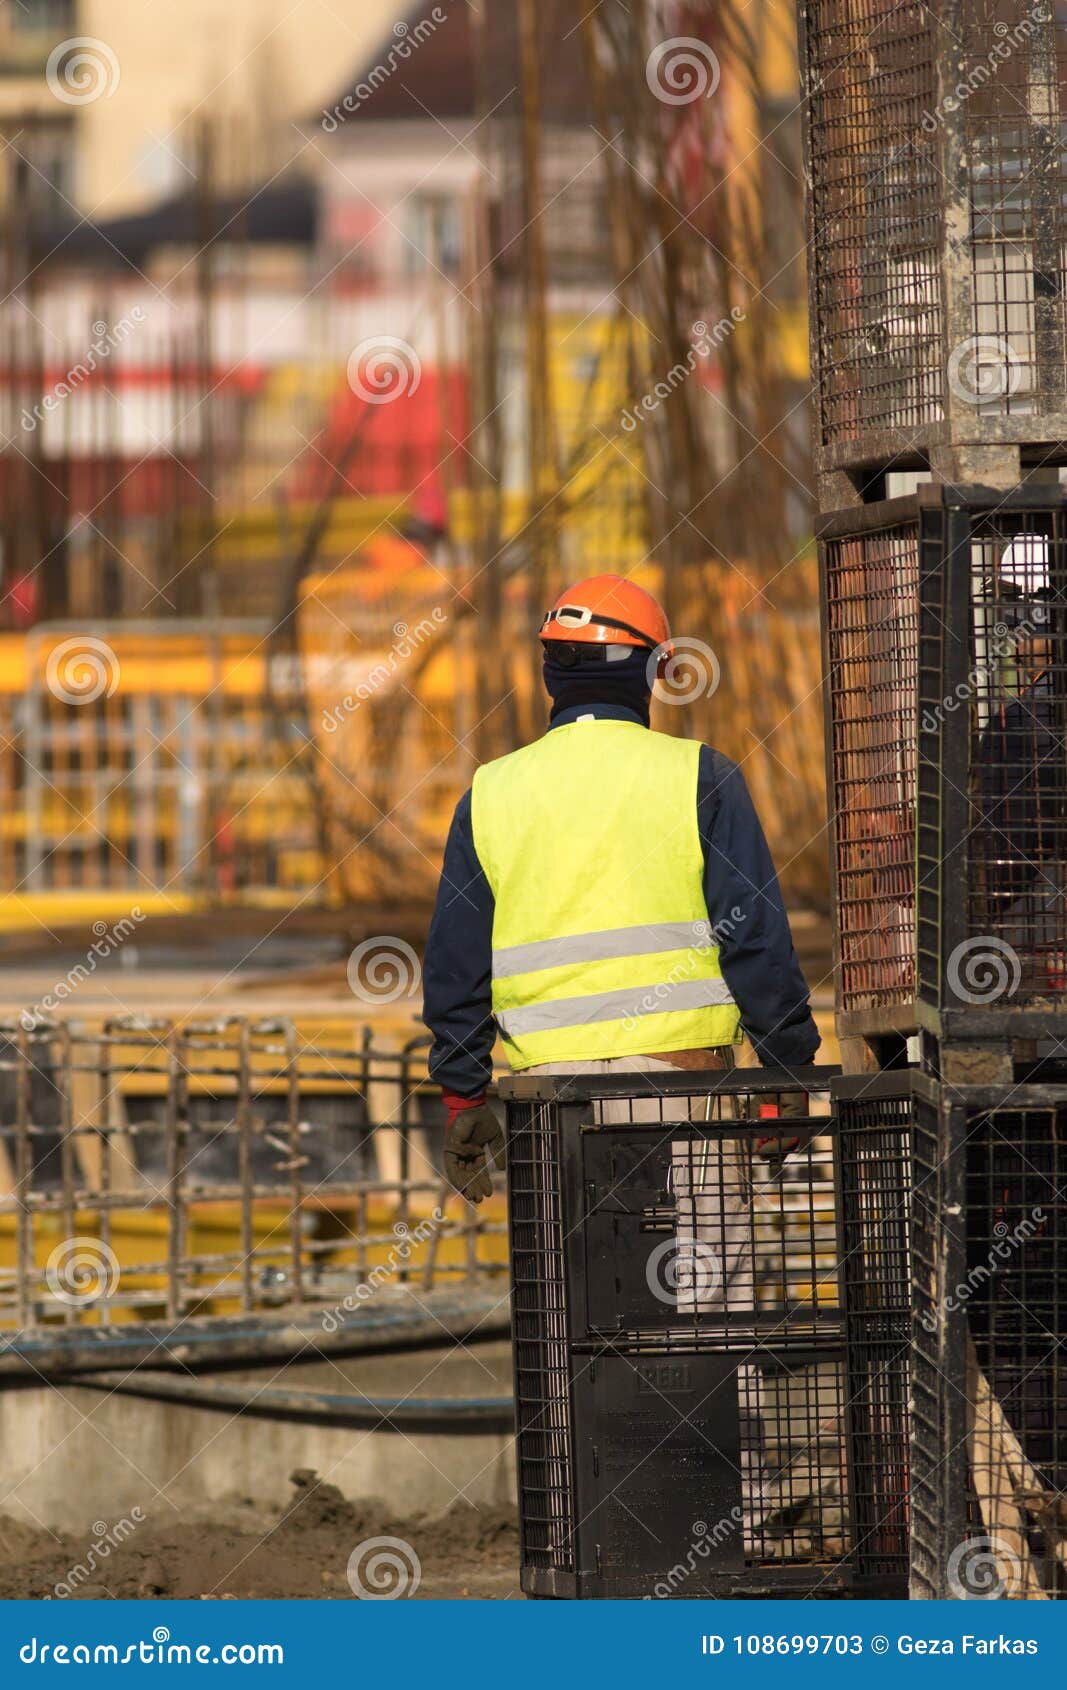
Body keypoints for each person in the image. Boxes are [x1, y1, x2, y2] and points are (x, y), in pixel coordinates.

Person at [422, 573, 820, 1206]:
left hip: (550, 1102)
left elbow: (455, 964)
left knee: (570, 1294)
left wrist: (463, 1093)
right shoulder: (699, 776)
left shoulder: (490, 794)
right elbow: (753, 936)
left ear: (551, 672)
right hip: (684, 1090)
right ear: (652, 670)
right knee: (699, 1296)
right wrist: (786, 1063)